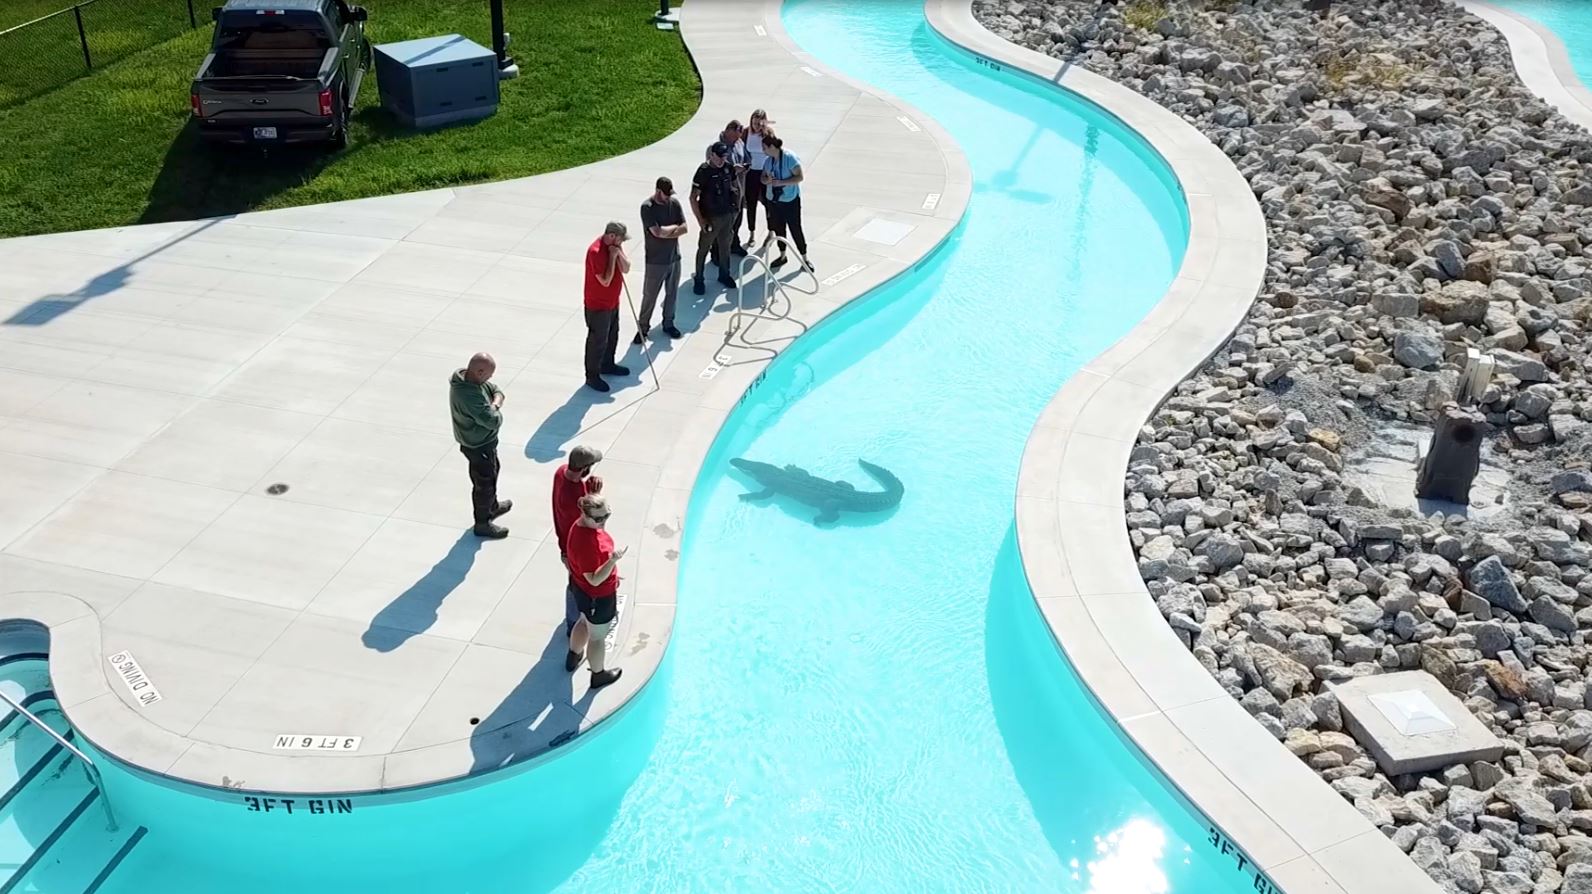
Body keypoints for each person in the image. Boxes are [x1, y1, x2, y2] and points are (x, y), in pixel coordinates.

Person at [564, 494, 626, 689]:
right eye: (599, 518)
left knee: (583, 621)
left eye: (607, 515)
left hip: (581, 590)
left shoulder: (579, 526)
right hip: (597, 597)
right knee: (597, 637)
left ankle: (573, 656)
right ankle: (598, 675)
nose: (604, 521)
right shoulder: (587, 544)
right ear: (585, 514)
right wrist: (612, 561)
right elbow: (595, 579)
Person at [449, 352, 511, 539]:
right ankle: (482, 523)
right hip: (478, 445)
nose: (490, 379)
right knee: (484, 484)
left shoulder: (474, 380)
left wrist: (494, 402)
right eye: (489, 375)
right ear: (480, 372)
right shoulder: (469, 395)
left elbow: (496, 390)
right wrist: (496, 406)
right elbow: (492, 421)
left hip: (485, 443)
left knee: (493, 470)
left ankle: (492, 506)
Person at [552, 445, 604, 636]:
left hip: (566, 545)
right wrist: (594, 496)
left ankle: (574, 621)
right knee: (577, 586)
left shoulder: (561, 472)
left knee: (575, 584)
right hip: (575, 549)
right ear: (584, 468)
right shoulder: (574, 500)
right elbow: (594, 524)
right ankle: (573, 625)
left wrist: (587, 490)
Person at [636, 176, 688, 343]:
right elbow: (656, 232)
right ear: (658, 191)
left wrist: (667, 231)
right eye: (666, 194)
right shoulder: (647, 207)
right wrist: (674, 228)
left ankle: (668, 323)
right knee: (649, 296)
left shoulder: (674, 204)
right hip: (655, 261)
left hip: (674, 257)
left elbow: (684, 228)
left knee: (672, 293)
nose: (668, 197)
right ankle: (643, 328)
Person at [583, 221, 632, 393]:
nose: (621, 242)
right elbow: (605, 281)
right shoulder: (595, 252)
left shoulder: (614, 247)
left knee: (612, 335)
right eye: (620, 239)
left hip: (612, 302)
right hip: (598, 305)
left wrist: (618, 254)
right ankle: (592, 376)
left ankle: (607, 364)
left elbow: (626, 268)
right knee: (597, 341)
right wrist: (612, 257)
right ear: (611, 236)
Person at [691, 141, 741, 296]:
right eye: (719, 157)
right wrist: (701, 220)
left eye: (724, 157)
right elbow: (693, 197)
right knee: (703, 249)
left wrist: (736, 210)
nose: (722, 160)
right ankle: (699, 278)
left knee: (725, 247)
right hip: (710, 218)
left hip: (727, 216)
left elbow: (736, 187)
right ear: (712, 155)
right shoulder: (703, 171)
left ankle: (724, 275)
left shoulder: (728, 168)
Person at [763, 134, 812, 272]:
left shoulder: (789, 158)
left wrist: (781, 182)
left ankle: (805, 258)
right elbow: (763, 177)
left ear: (772, 147)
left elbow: (800, 177)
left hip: (790, 200)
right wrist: (766, 180)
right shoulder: (768, 161)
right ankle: (782, 255)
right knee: (779, 229)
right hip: (774, 200)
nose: (763, 150)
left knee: (795, 228)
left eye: (764, 147)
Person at [718, 120, 751, 257]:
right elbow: (714, 168)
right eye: (737, 134)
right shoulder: (717, 146)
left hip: (739, 190)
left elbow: (748, 158)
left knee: (737, 221)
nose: (739, 137)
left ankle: (734, 244)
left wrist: (746, 166)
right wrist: (732, 169)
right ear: (729, 130)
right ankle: (719, 251)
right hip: (725, 193)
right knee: (724, 223)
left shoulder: (739, 143)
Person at [743, 109, 774, 250]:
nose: (756, 126)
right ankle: (752, 233)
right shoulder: (746, 132)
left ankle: (771, 231)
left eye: (759, 124)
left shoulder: (768, 133)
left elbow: (774, 152)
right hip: (751, 173)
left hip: (765, 172)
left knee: (768, 203)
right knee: (751, 203)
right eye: (754, 123)